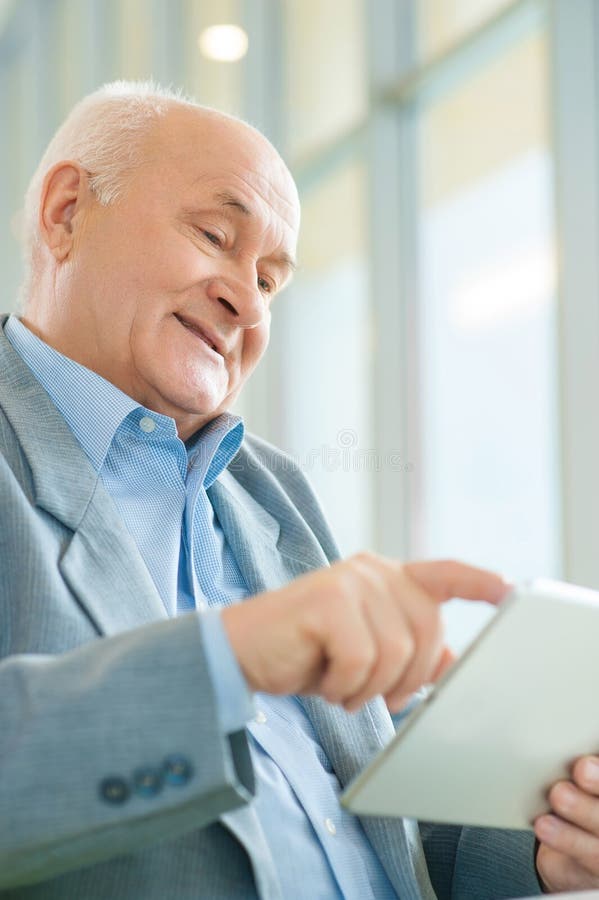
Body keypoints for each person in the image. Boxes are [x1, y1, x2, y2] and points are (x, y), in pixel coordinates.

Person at [0, 81, 596, 899]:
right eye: (214, 236)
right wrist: (229, 659)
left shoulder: (267, 488)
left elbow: (371, 808)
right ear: (66, 212)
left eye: (271, 282)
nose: (244, 301)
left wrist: (540, 839)